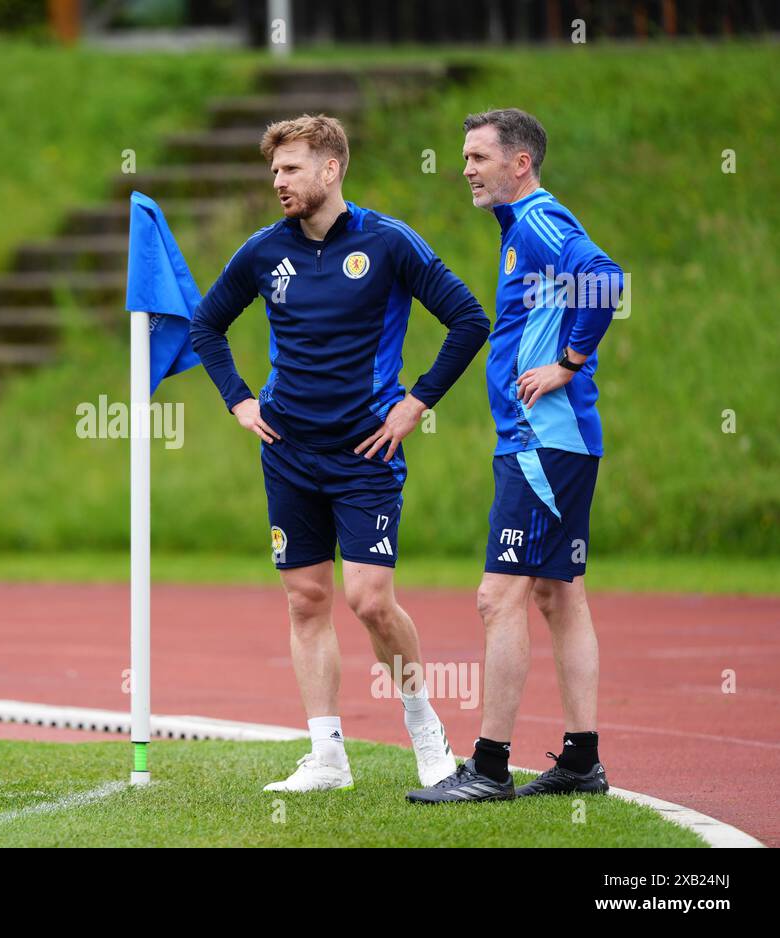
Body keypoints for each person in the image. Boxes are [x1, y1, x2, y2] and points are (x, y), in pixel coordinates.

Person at [190, 114, 489, 792]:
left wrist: (416, 403)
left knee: (370, 599)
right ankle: (327, 757)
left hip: (366, 453)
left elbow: (470, 319)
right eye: (274, 171)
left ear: (331, 170)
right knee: (305, 597)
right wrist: (239, 399)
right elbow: (207, 324)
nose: (278, 182)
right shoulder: (264, 251)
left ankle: (426, 732)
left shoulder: (389, 243)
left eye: (290, 169)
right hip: (289, 449)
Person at [407, 108, 624, 804]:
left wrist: (568, 361)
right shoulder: (521, 228)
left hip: (541, 444)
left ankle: (491, 768)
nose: (465, 168)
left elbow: (605, 278)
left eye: (477, 157)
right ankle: (581, 763)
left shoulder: (536, 221)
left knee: (497, 596)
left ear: (519, 162)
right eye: (464, 156)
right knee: (559, 595)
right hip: (555, 443)